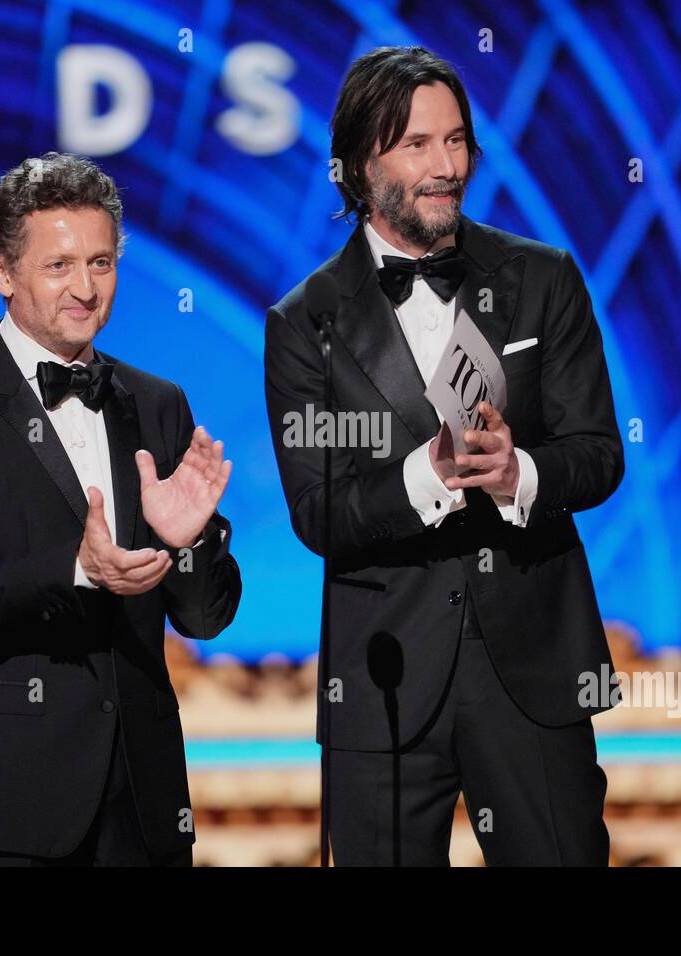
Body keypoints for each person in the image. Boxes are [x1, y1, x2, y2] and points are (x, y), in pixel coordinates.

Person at [265, 47, 624, 865]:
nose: (447, 166)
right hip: (382, 685)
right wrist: (429, 470)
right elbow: (321, 514)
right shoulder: (303, 323)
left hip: (534, 670)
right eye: (418, 145)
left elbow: (599, 455)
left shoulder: (543, 278)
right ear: (360, 164)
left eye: (456, 141)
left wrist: (518, 472)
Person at [0, 152, 240, 866]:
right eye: (59, 266)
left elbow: (204, 617)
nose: (86, 289)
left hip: (144, 807)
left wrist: (187, 540)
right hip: (8, 809)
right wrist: (76, 570)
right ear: (0, 273)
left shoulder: (158, 402)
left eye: (103, 264)